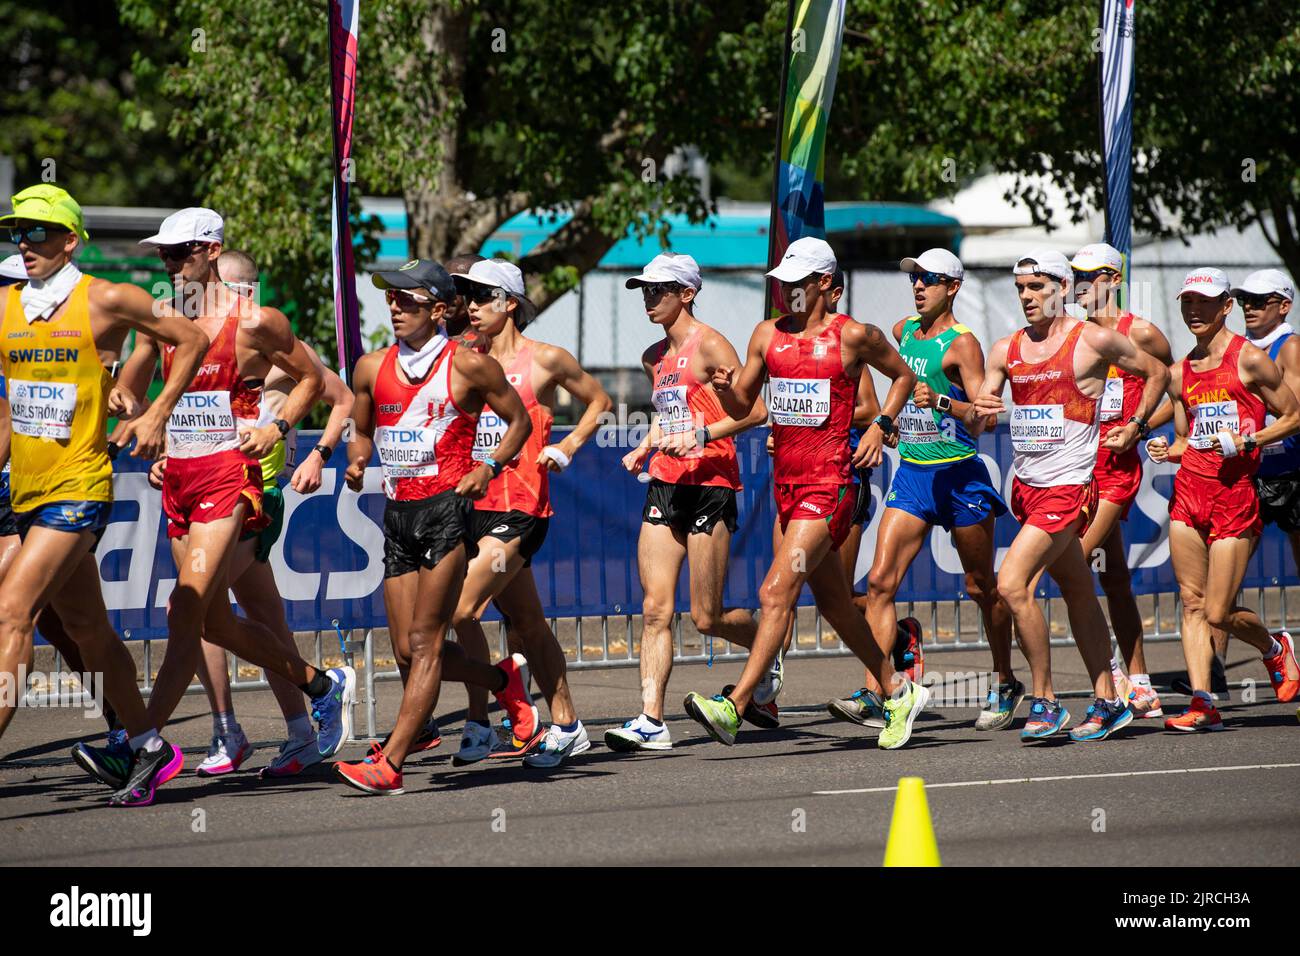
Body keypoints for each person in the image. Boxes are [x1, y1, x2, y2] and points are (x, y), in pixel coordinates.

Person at [75, 207, 358, 801]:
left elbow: (313, 381)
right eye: (162, 255)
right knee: (216, 620)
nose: (169, 265)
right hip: (176, 480)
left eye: (178, 253)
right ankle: (321, 687)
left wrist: (278, 429)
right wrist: (122, 403)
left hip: (233, 481)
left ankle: (143, 745)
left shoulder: (257, 322)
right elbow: (131, 387)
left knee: (186, 610)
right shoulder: (162, 320)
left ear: (211, 250)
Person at [0, 185, 208, 807]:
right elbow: (11, 407)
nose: (24, 243)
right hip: (28, 490)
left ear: (70, 240)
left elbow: (189, 338)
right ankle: (147, 745)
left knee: (12, 614)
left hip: (80, 487)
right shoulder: (7, 307)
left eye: (38, 232)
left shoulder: (107, 298)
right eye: (18, 232)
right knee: (89, 630)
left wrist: (154, 414)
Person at [686, 236, 930, 750]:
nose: (785, 291)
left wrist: (880, 424)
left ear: (824, 284)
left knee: (775, 592)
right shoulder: (766, 335)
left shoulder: (855, 336)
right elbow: (744, 403)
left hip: (832, 485)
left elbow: (904, 376)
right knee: (838, 607)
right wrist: (725, 385)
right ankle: (897, 689)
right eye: (781, 282)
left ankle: (737, 705)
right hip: (787, 486)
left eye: (796, 282)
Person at [333, 258, 535, 795]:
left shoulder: (470, 365)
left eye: (408, 300)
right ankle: (501, 680)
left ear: (439, 310)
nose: (395, 308)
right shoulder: (371, 366)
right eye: (391, 299)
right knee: (404, 649)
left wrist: (487, 467)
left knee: (425, 642)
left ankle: (391, 763)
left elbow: (521, 422)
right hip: (398, 514)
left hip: (448, 513)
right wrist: (357, 459)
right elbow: (362, 425)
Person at [973, 249, 1168, 742]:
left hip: (1070, 488)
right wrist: (966, 405)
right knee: (1079, 589)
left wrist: (1136, 426)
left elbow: (1161, 374)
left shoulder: (1094, 340)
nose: (1026, 297)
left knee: (1013, 584)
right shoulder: (1006, 349)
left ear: (1061, 289)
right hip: (1027, 488)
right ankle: (1107, 699)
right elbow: (981, 417)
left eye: (1036, 288)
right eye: (1020, 289)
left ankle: (1046, 699)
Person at [828, 249, 1020, 731]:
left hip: (959, 477)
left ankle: (1004, 680)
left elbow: (985, 417)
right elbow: (896, 387)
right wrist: (892, 424)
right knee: (878, 584)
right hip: (913, 475)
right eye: (914, 278)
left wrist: (940, 402)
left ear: (952, 287)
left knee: (980, 587)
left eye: (929, 279)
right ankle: (880, 690)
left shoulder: (963, 345)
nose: (918, 286)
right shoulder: (902, 332)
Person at [188, 249, 359, 778]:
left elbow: (343, 398)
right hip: (208, 494)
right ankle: (304, 729)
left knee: (195, 606)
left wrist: (316, 452)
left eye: (238, 292)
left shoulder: (274, 345)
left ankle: (228, 731)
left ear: (251, 292)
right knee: (266, 621)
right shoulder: (201, 340)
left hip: (255, 497)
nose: (227, 303)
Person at [444, 257, 611, 767]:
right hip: (470, 507)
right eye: (467, 296)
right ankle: (566, 724)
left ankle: (504, 691)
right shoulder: (462, 358)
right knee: (530, 624)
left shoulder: (546, 359)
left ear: (510, 304)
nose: (471, 306)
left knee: (459, 611)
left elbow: (599, 400)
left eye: (483, 297)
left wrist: (569, 446)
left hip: (519, 511)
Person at [606, 253, 767, 751]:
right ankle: (651, 719)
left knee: (706, 616)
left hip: (712, 484)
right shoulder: (653, 356)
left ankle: (767, 647)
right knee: (655, 608)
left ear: (688, 294)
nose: (649, 299)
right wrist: (645, 445)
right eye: (645, 291)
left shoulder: (712, 343)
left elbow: (755, 411)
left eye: (660, 290)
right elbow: (668, 410)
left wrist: (701, 432)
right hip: (665, 482)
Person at [1146, 268, 1300, 730]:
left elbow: (1293, 415)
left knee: (1218, 611)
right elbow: (1185, 439)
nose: (1195, 311)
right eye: (1188, 303)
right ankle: (1202, 703)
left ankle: (1275, 649)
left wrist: (1249, 440)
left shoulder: (1251, 359)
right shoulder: (1178, 373)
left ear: (1225, 307)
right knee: (1191, 603)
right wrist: (1164, 449)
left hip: (1234, 495)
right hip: (1189, 494)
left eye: (1205, 302)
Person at [1067, 242, 1173, 719]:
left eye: (1089, 276)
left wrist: (1140, 427)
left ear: (1113, 278)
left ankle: (1109, 676)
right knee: (1114, 580)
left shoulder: (1142, 333)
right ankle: (1143, 682)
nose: (1079, 286)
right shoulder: (1075, 335)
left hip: (1117, 473)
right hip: (1080, 470)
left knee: (1073, 563)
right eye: (1075, 276)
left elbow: (1179, 390)